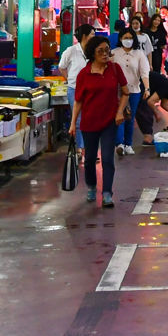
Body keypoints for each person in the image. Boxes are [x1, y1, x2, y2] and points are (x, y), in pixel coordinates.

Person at [69, 36, 129, 208]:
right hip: (89, 123)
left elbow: (125, 92)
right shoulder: (84, 74)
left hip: (110, 122)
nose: (105, 54)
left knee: (108, 159)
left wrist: (120, 112)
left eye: (107, 50)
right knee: (89, 159)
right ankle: (91, 186)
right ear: (92, 53)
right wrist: (73, 123)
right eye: (100, 51)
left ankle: (107, 193)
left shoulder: (115, 69)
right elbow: (78, 101)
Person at [111, 28, 150, 156]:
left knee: (130, 117)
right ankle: (119, 144)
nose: (128, 40)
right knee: (119, 115)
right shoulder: (114, 53)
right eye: (125, 38)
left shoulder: (139, 54)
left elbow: (144, 73)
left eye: (130, 38)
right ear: (120, 39)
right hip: (117, 91)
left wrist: (147, 88)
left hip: (134, 91)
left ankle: (128, 144)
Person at [58, 24, 92, 160]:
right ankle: (79, 149)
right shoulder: (71, 51)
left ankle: (88, 148)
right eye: (92, 34)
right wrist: (69, 79)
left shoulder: (93, 51)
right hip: (75, 89)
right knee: (77, 119)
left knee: (89, 119)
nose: (94, 37)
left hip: (91, 90)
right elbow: (62, 67)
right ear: (84, 36)